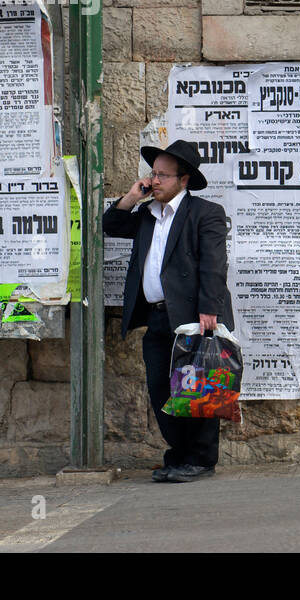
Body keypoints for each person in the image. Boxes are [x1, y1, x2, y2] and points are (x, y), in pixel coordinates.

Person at [104, 139, 235, 483]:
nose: (155, 181)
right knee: (162, 390)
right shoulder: (147, 214)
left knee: (199, 391)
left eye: (163, 175)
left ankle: (201, 460)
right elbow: (111, 225)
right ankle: (179, 456)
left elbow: (214, 264)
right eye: (153, 174)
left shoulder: (205, 213)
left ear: (184, 179)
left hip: (194, 318)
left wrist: (210, 308)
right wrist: (134, 196)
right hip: (158, 317)